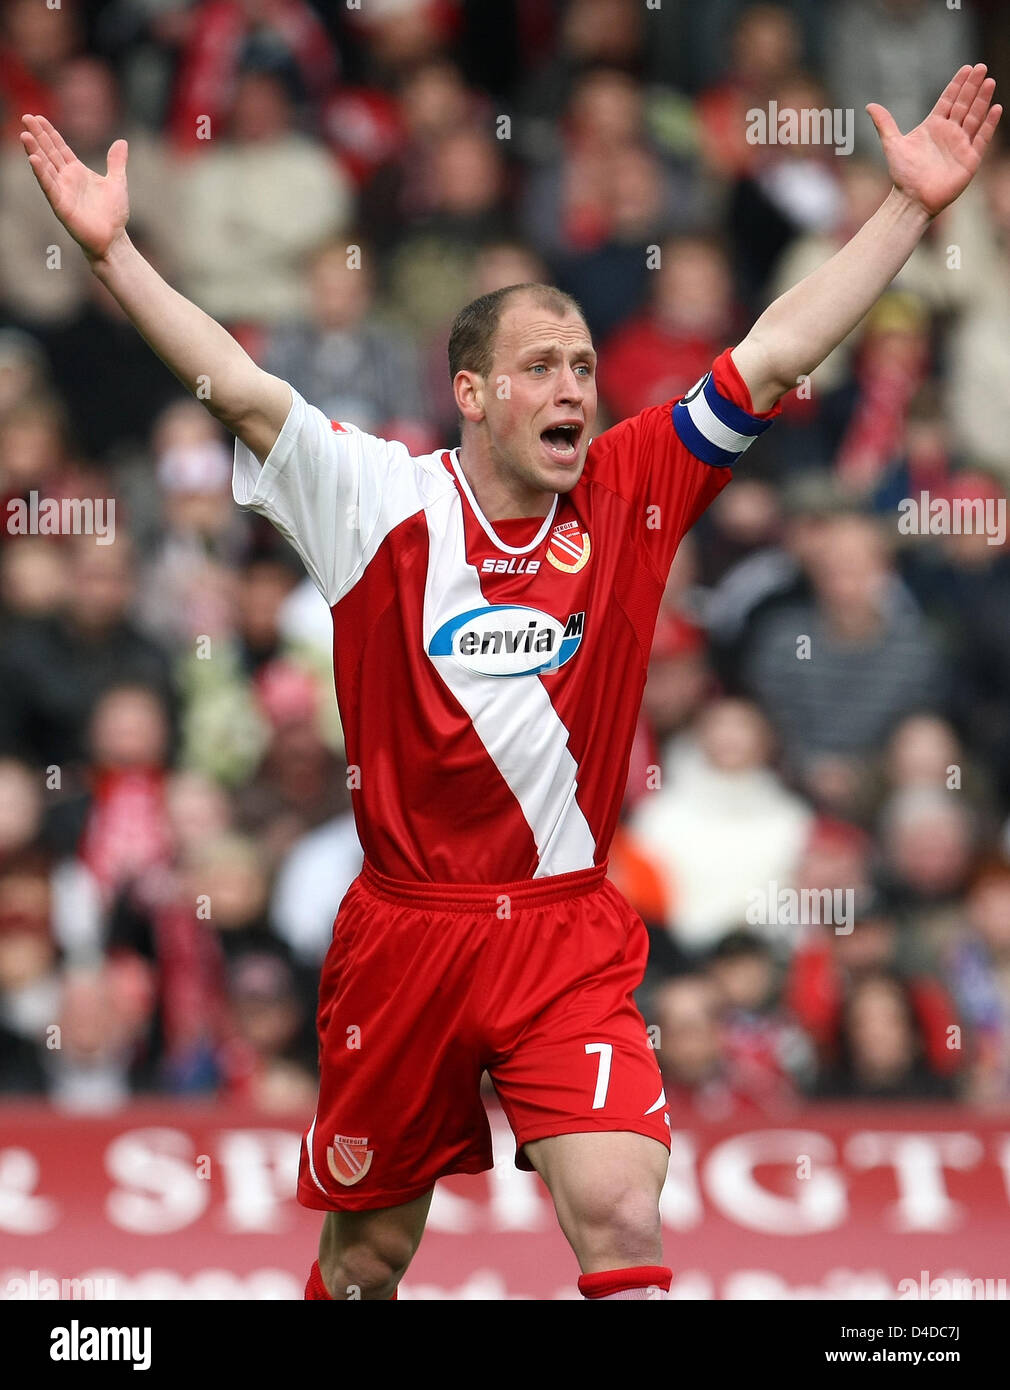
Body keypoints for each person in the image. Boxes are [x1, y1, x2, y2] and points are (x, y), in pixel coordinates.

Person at [19, 62, 1002, 1301]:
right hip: (404, 934)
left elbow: (776, 345)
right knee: (367, 1255)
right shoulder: (373, 495)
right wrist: (113, 259)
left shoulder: (634, 486)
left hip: (561, 933)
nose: (574, 389)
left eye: (584, 365)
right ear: (471, 395)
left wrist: (906, 212)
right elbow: (238, 382)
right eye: (540, 367)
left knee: (619, 1204)